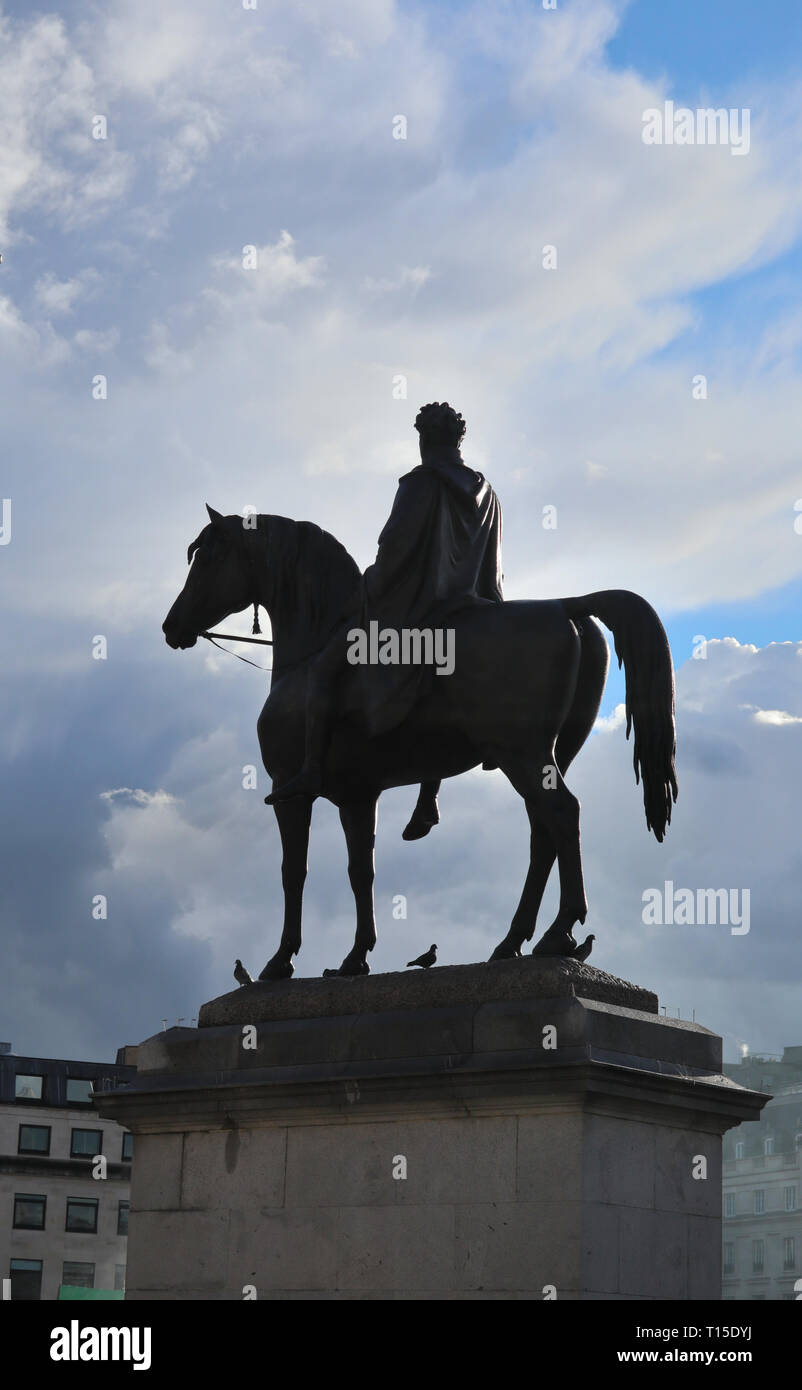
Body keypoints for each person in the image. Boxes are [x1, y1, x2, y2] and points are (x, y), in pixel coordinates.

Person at [266, 402, 503, 820]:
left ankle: (312, 770)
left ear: (424, 438)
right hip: (466, 611)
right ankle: (429, 798)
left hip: (414, 612)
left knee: (323, 671)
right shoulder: (486, 491)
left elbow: (394, 551)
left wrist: (367, 589)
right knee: (440, 685)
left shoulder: (421, 483)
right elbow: (492, 567)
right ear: (457, 439)